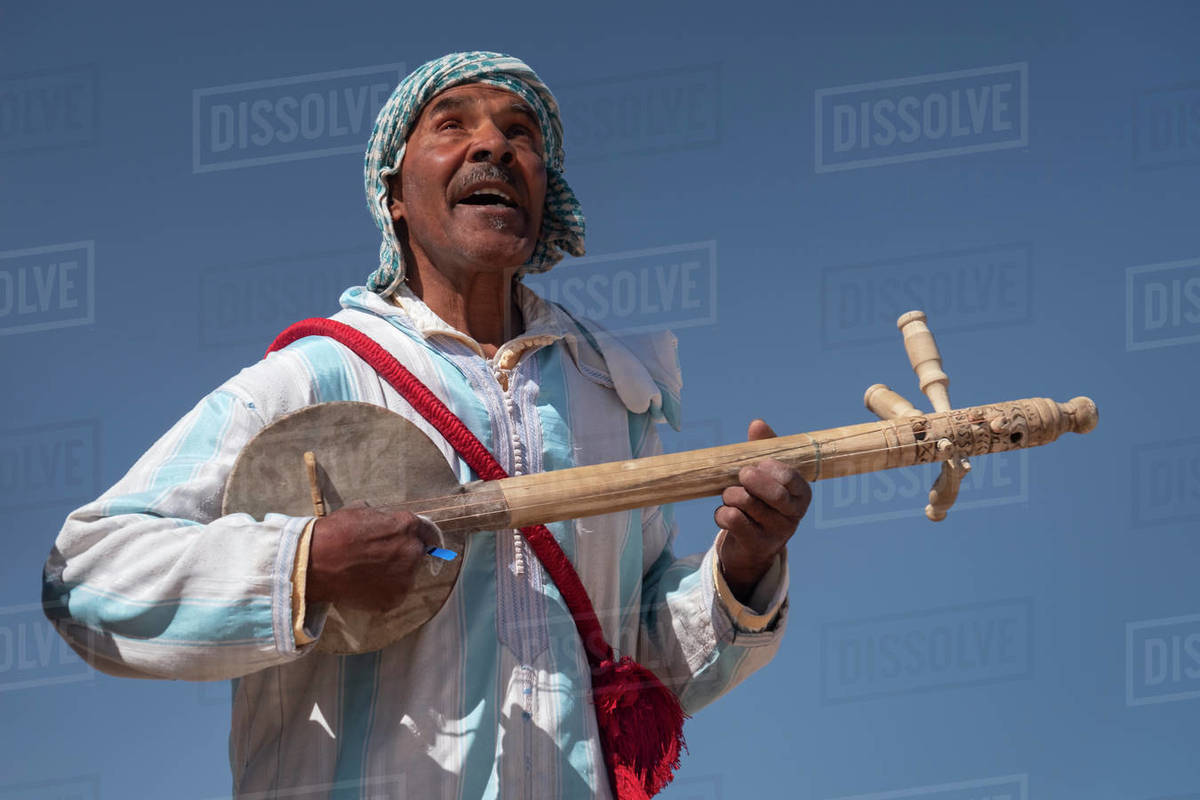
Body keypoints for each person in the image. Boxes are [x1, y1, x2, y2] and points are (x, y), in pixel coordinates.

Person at [42, 52, 811, 799]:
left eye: (523, 133)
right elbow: (86, 574)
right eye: (452, 125)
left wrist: (743, 567)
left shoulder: (612, 393)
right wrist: (302, 567)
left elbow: (641, 659)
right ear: (395, 194)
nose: (493, 146)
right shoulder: (315, 378)